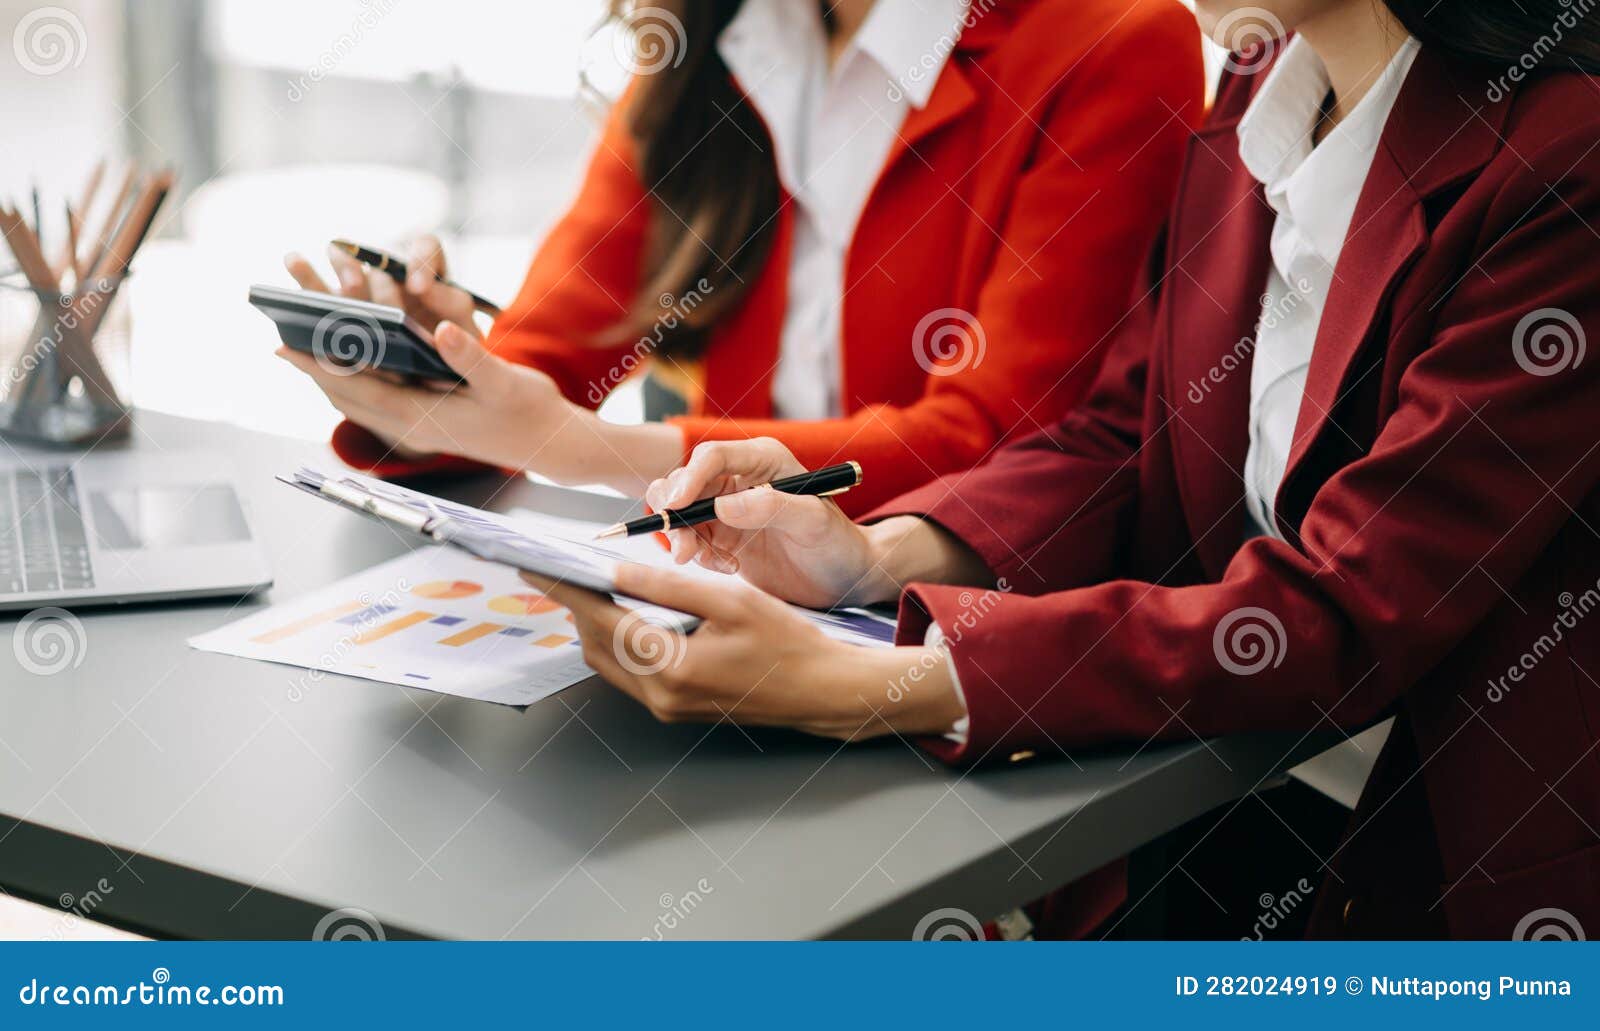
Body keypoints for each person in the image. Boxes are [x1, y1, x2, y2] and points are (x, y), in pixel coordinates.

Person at [524, 0, 1600, 939]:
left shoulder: (1565, 156)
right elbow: (1122, 436)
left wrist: (879, 686)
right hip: (1201, 797)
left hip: (1440, 871)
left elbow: (1352, 600)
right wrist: (864, 558)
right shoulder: (1261, 77)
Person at [276, 0, 1203, 513]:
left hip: (950, 655)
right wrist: (441, 373)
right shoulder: (716, 31)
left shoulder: (1112, 37)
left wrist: (583, 444)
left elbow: (999, 446)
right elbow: (555, 343)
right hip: (731, 602)